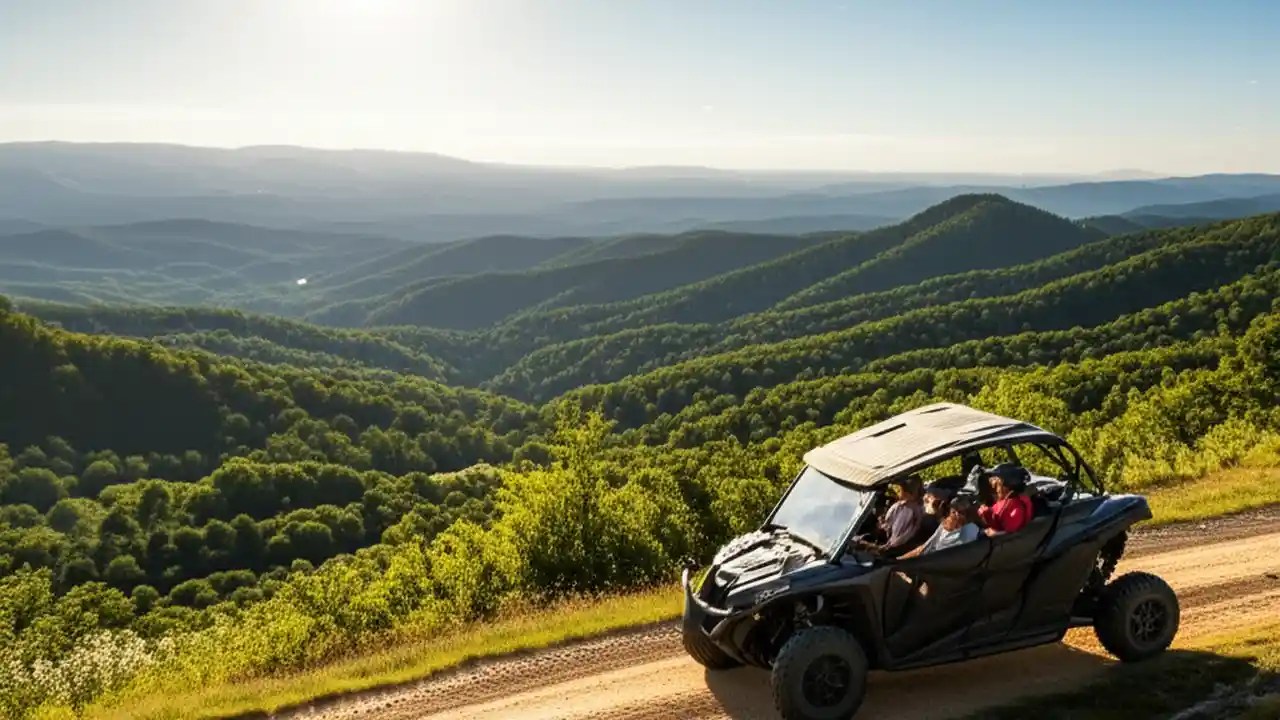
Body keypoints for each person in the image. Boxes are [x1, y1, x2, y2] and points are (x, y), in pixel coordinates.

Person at [855, 475, 924, 557]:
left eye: (899, 488)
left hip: (892, 553)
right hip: (885, 543)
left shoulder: (912, 512)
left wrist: (872, 547)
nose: (897, 491)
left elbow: (897, 542)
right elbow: (887, 528)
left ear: (907, 492)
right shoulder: (899, 506)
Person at [900, 494, 980, 558]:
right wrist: (902, 559)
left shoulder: (971, 529)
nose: (957, 515)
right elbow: (926, 547)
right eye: (954, 512)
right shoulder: (944, 525)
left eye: (961, 512)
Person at [977, 463, 1034, 537]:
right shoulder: (1006, 501)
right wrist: (986, 514)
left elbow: (1011, 534)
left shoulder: (1017, 507)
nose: (991, 482)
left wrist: (992, 533)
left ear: (1003, 483)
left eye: (994, 478)